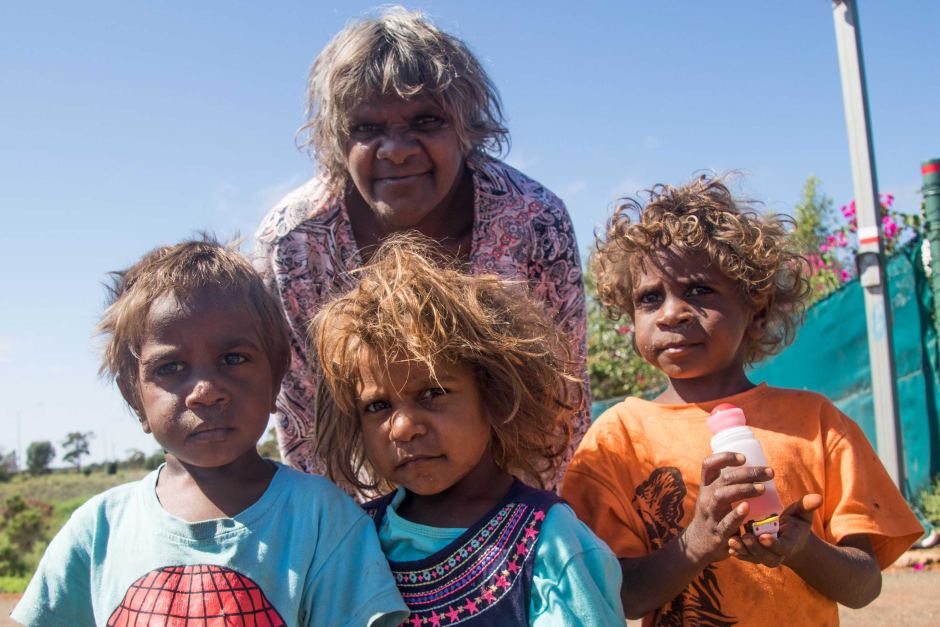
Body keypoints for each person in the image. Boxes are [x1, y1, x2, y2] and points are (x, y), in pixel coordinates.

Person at [560, 176, 924, 625]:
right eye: (650, 298)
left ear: (758, 311)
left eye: (698, 290)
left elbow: (864, 585)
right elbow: (616, 597)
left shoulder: (815, 423)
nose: (672, 312)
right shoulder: (617, 440)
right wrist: (694, 544)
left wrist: (802, 549)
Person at [254, 7, 588, 490]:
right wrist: (350, 546)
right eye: (367, 129)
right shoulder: (295, 243)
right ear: (336, 139)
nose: (396, 149)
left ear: (466, 128)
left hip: (508, 493)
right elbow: (309, 425)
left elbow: (561, 401)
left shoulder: (533, 218)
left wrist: (530, 530)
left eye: (426, 120)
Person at [12, 239, 408, 626]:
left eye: (233, 359)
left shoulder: (322, 518)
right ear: (134, 398)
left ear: (276, 381)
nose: (206, 391)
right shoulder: (98, 530)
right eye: (170, 368)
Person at [309, 234, 626, 626]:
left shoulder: (549, 543)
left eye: (432, 393)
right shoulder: (352, 541)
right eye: (378, 406)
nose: (404, 427)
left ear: (495, 395)